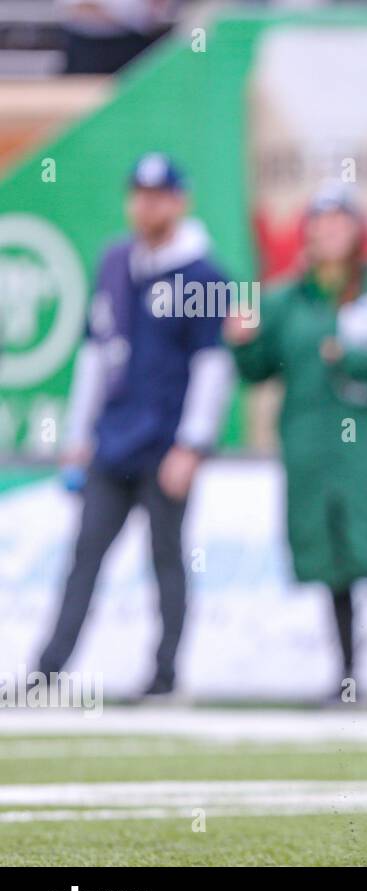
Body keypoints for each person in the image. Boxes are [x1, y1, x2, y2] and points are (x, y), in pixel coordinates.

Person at [37, 153, 234, 699]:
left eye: (158, 194)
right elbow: (96, 353)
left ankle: (165, 675)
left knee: (166, 559)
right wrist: (79, 435)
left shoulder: (204, 274)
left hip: (165, 445)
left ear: (179, 200)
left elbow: (213, 366)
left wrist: (192, 444)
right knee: (84, 556)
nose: (147, 205)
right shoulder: (115, 263)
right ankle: (48, 670)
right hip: (113, 440)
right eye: (140, 194)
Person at [226, 185, 367, 700]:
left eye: (340, 223)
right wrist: (241, 342)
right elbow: (257, 371)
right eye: (319, 225)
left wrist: (353, 358)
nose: (329, 234)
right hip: (312, 452)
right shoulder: (286, 300)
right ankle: (344, 676)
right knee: (333, 567)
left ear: (358, 232)